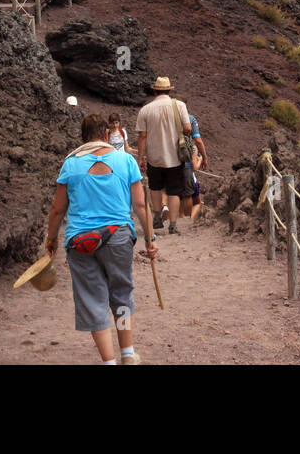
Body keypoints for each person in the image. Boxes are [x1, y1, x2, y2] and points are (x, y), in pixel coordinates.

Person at [43, 113, 157, 365]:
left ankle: (108, 362)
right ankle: (128, 354)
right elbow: (140, 204)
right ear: (107, 135)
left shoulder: (70, 163)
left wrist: (50, 240)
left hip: (80, 241)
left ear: (82, 137)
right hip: (118, 238)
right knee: (122, 293)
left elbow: (57, 210)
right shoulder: (126, 160)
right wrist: (150, 238)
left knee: (92, 299)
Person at [135, 76, 192, 235]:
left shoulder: (146, 109)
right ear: (170, 90)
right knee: (174, 192)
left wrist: (140, 158)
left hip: (154, 157)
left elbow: (142, 136)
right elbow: (188, 128)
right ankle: (173, 225)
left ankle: (158, 217)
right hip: (174, 156)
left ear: (155, 90)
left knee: (155, 188)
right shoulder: (179, 105)